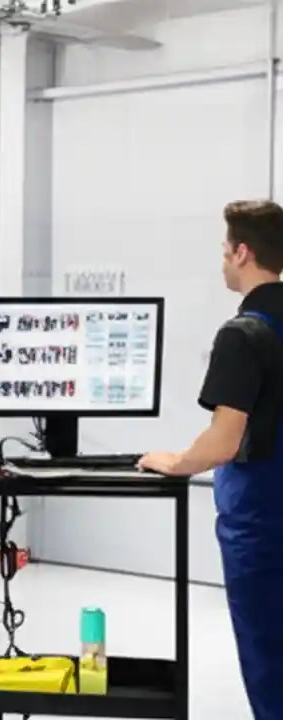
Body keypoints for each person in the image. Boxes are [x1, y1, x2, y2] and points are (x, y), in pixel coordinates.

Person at [139, 199, 283, 719]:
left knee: (271, 663)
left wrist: (174, 461)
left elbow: (223, 441)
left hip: (264, 528)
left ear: (243, 252)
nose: (223, 261)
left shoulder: (243, 334)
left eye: (225, 251)